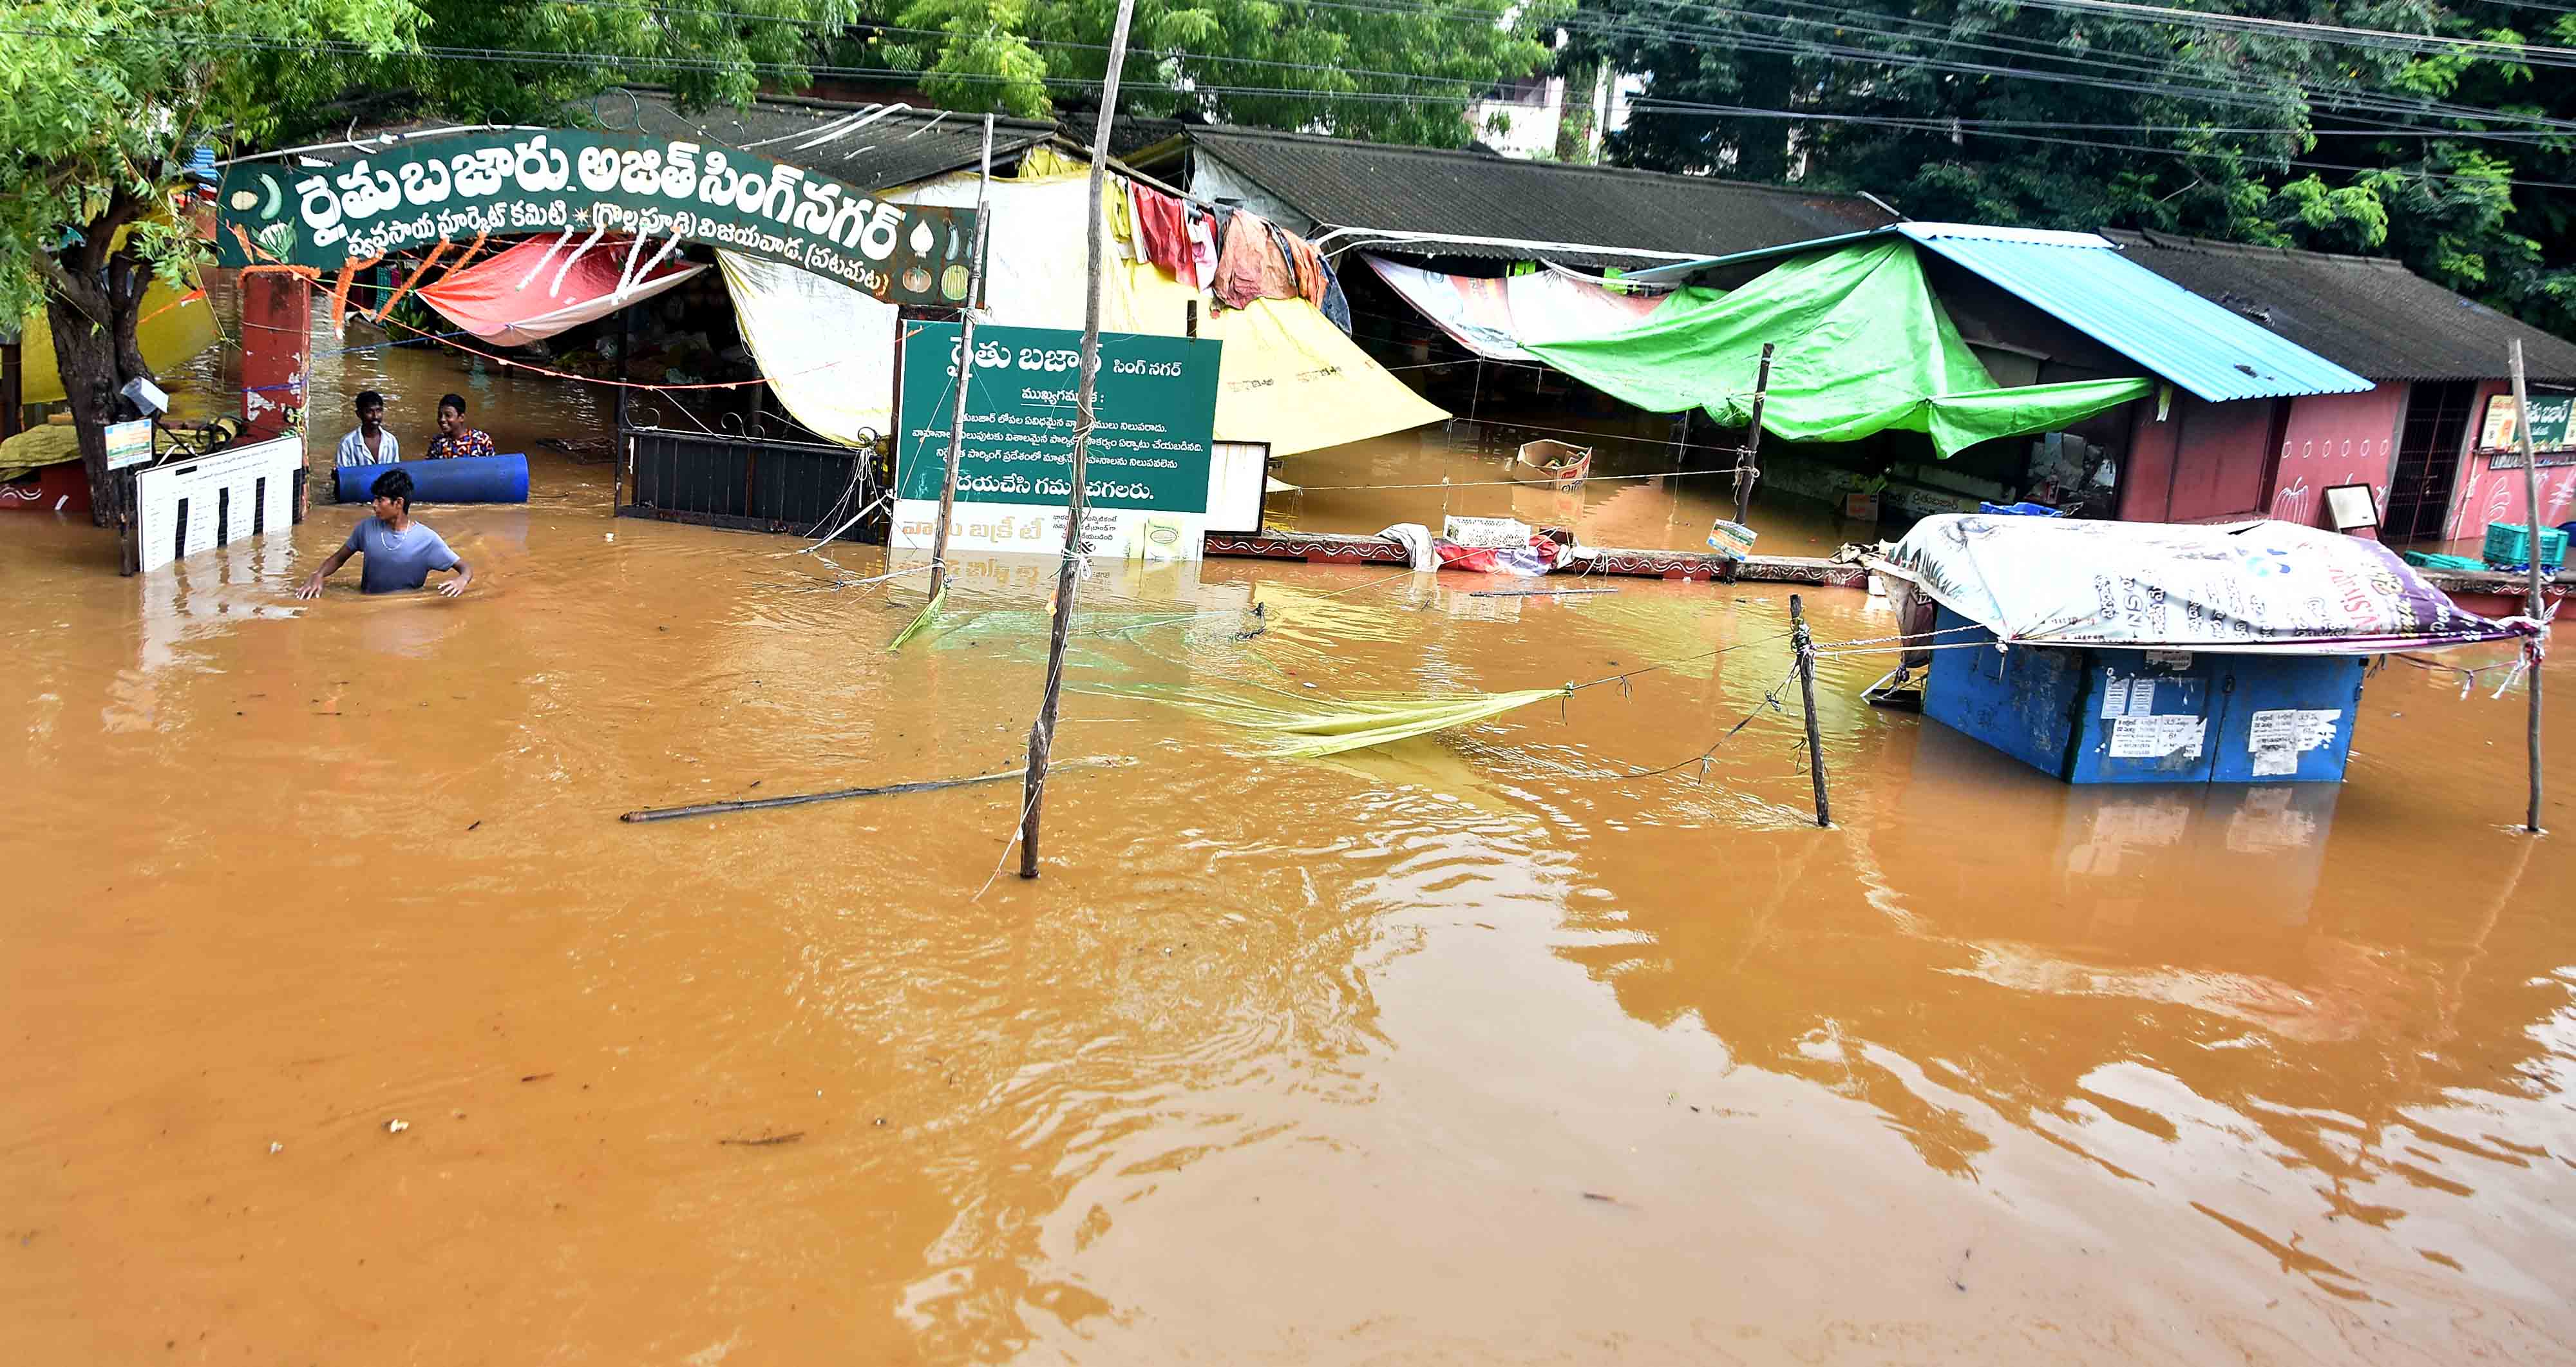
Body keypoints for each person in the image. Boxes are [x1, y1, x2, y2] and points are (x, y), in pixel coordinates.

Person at [297, 468, 471, 598]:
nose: (374, 504)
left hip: (407, 610)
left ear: (398, 503)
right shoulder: (366, 529)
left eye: (381, 500)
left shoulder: (427, 540)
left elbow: (465, 568)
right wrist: (318, 575)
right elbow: (339, 558)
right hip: (366, 602)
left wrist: (461, 581)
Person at [333, 390, 399, 466]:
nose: (376, 416)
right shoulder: (347, 443)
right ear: (359, 414)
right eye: (369, 412)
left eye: (379, 411)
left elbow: (397, 473)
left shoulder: (391, 441)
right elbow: (344, 475)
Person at [424, 392, 496, 461]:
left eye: (448, 415)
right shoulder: (437, 442)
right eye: (440, 415)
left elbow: (493, 468)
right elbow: (429, 469)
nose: (442, 419)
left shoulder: (481, 440)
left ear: (461, 418)